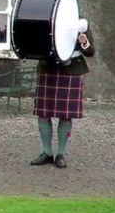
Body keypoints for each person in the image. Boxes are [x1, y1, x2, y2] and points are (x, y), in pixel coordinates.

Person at [29, 29, 95, 168]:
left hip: (70, 71)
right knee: (43, 114)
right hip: (48, 69)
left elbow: (90, 51)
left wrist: (84, 42)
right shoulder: (46, 19)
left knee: (66, 115)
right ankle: (46, 152)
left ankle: (60, 154)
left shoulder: (80, 23)